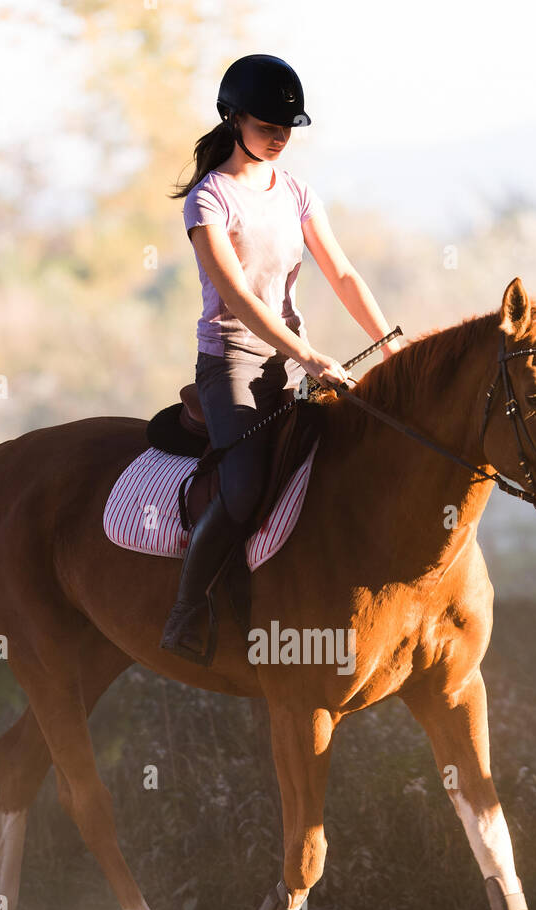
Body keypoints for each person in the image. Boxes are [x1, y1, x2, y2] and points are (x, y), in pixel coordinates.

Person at [162, 52, 402, 664]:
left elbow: (343, 273)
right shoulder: (209, 201)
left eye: (286, 128)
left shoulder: (295, 190)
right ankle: (186, 614)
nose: (279, 138)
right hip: (234, 363)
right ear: (233, 119)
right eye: (268, 126)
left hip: (293, 359)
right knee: (242, 492)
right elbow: (239, 298)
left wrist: (393, 343)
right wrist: (309, 354)